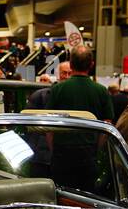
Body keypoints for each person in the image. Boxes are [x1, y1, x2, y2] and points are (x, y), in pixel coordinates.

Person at [47, 45, 113, 191]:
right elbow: (107, 125)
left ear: (70, 64)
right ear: (92, 65)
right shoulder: (101, 91)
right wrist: (96, 149)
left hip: (61, 154)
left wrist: (53, 151)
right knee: (86, 198)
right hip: (88, 155)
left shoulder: (57, 89)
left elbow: (49, 126)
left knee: (62, 196)